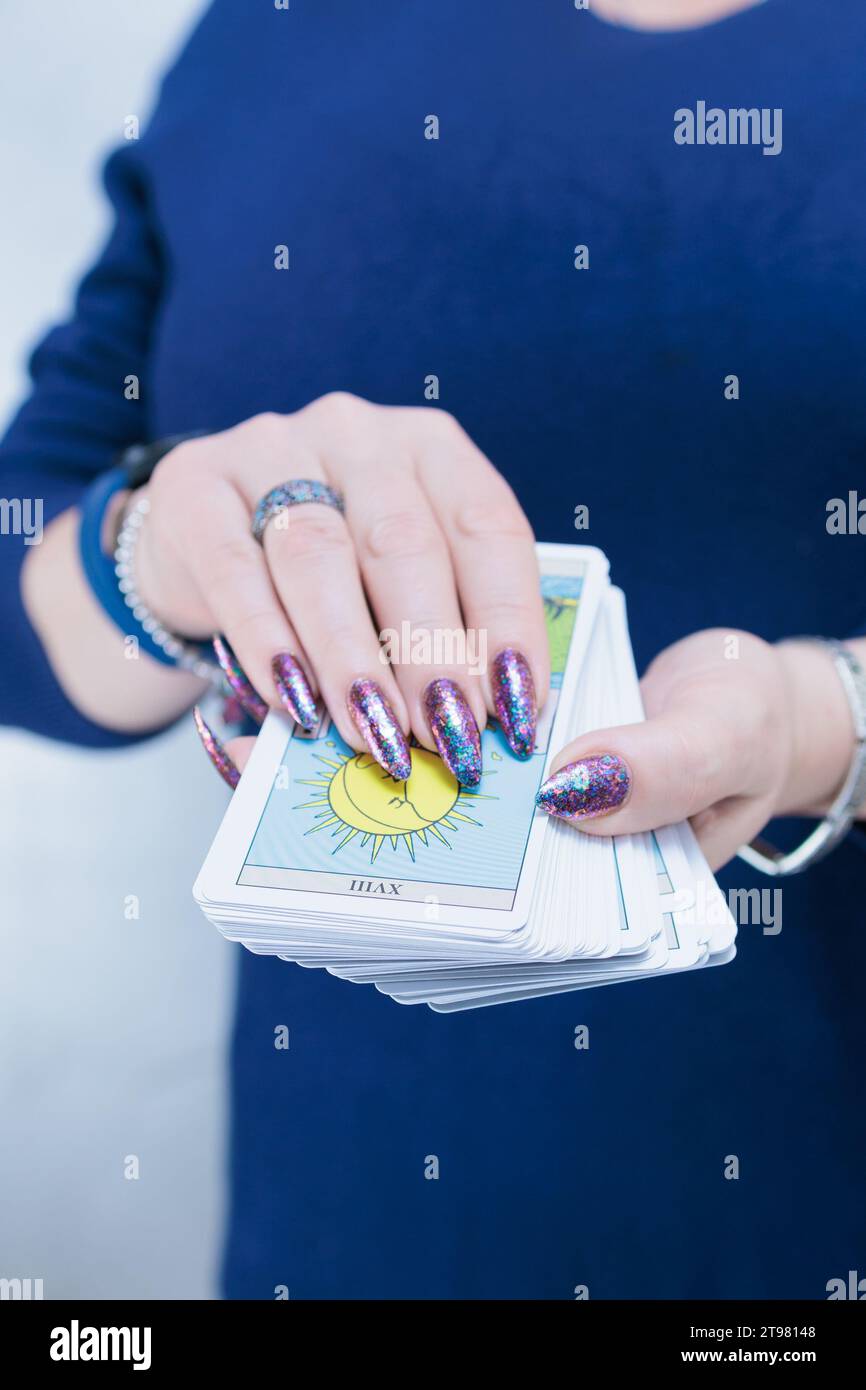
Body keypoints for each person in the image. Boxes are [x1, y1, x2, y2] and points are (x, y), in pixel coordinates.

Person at [2, 0, 865, 1298]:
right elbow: (29, 566)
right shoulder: (265, 31)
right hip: (356, 1233)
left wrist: (826, 719)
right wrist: (152, 559)